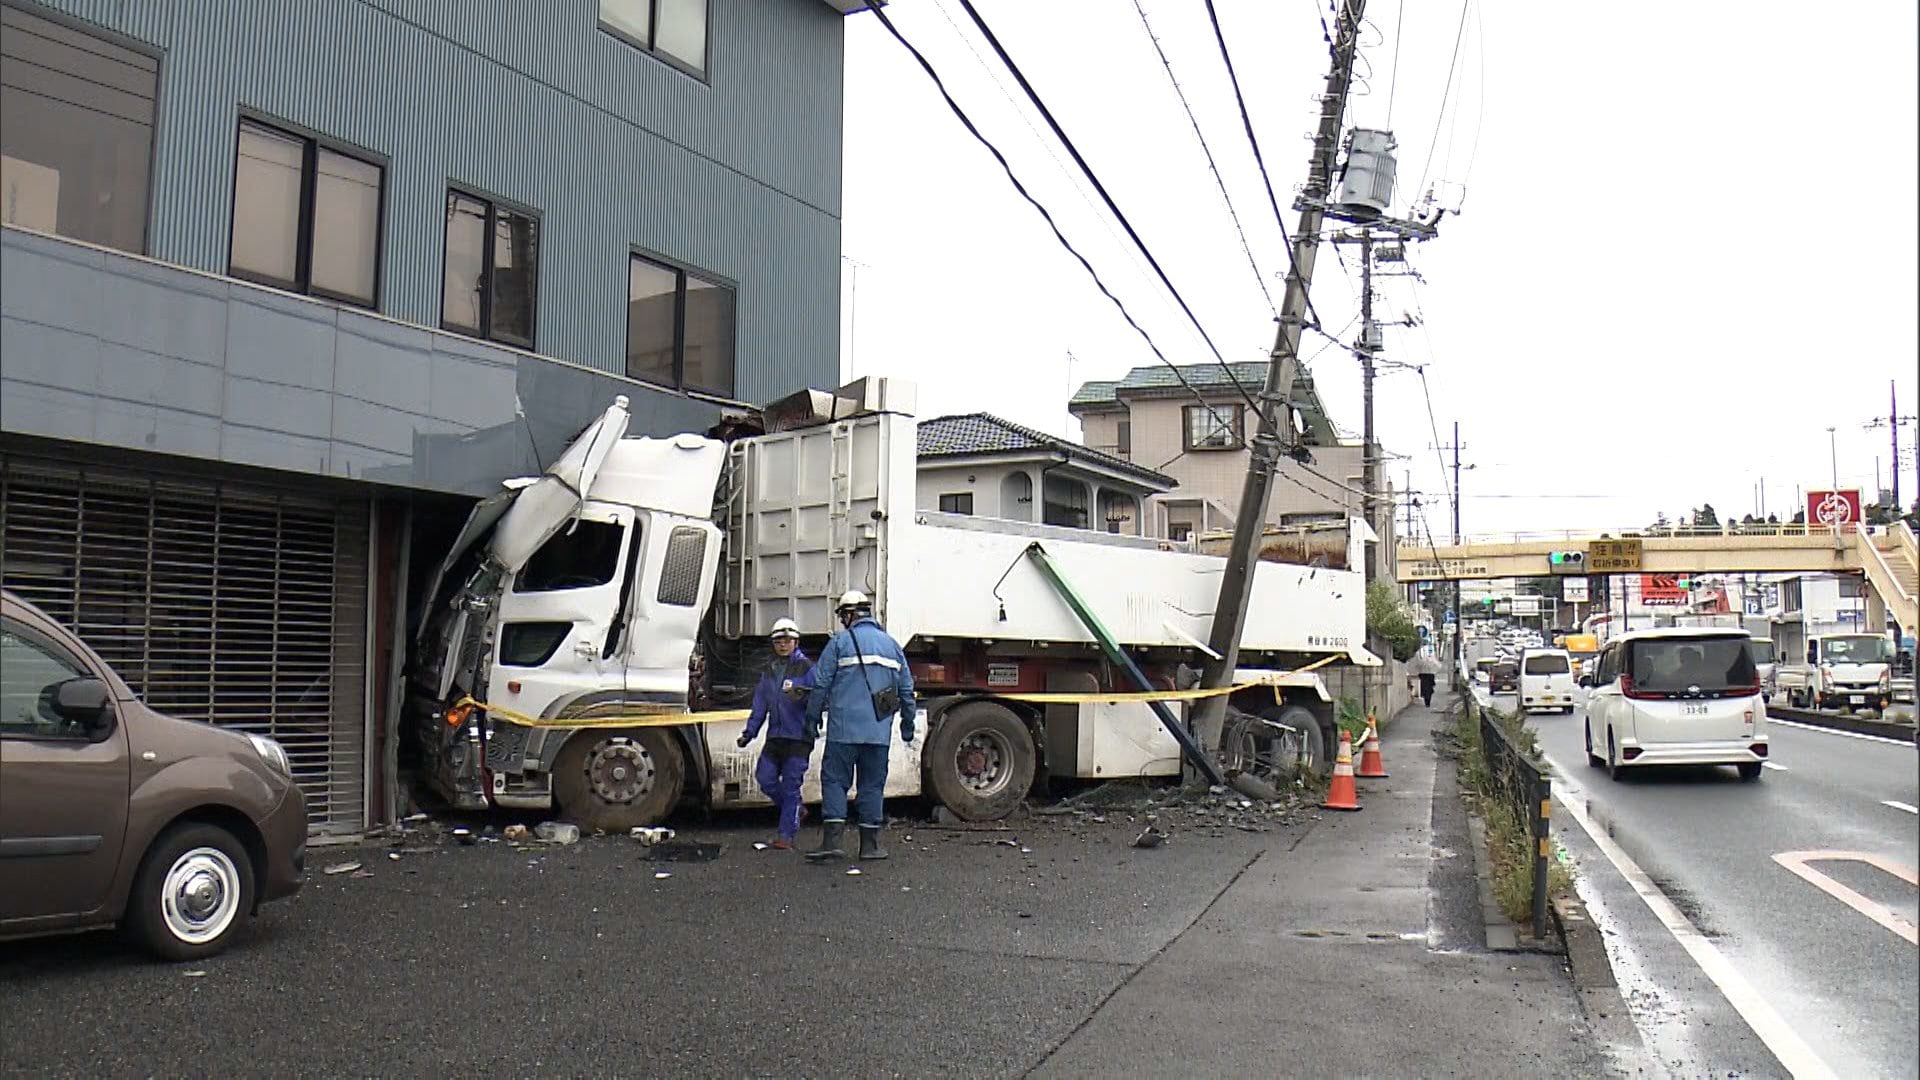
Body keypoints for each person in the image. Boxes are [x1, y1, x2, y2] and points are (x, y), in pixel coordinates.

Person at [804, 590, 915, 862]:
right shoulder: (892, 646)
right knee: (872, 785)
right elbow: (907, 691)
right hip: (878, 733)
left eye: (843, 616)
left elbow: (821, 684)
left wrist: (812, 717)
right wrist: (907, 726)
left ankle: (832, 843)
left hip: (843, 732)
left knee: (835, 781)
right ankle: (870, 846)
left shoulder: (840, 643)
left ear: (849, 614)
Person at [736, 618, 814, 849]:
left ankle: (786, 836)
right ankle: (796, 810)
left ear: (796, 641)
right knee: (765, 778)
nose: (782, 644)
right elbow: (760, 704)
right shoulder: (769, 671)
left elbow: (821, 698)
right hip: (776, 737)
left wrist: (804, 697)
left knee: (791, 785)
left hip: (799, 738)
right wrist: (749, 732)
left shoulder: (807, 668)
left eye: (787, 640)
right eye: (778, 640)